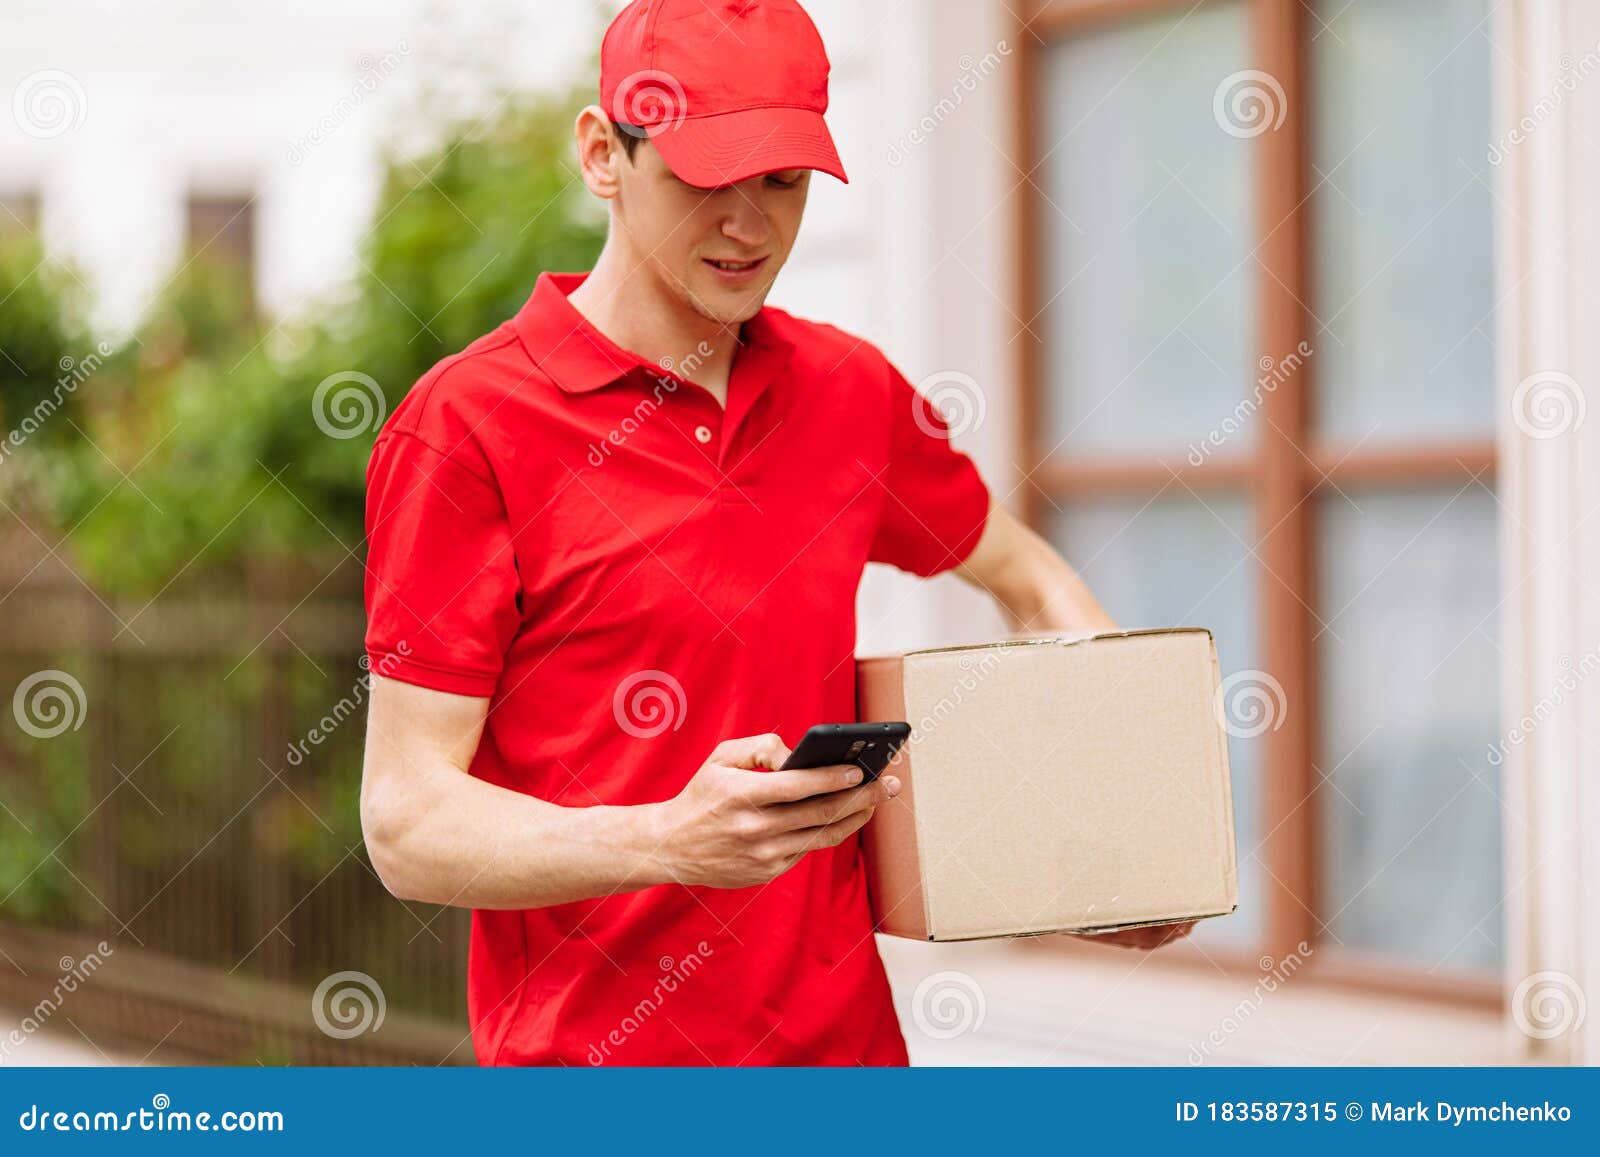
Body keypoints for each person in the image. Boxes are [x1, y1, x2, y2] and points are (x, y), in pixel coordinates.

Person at [358, 0, 1191, 1068]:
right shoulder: (467, 425)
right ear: (603, 153)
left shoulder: (850, 392)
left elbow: (1027, 575)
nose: (749, 226)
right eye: (707, 178)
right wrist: (668, 837)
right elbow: (407, 823)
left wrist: (1116, 836)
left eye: (783, 181)